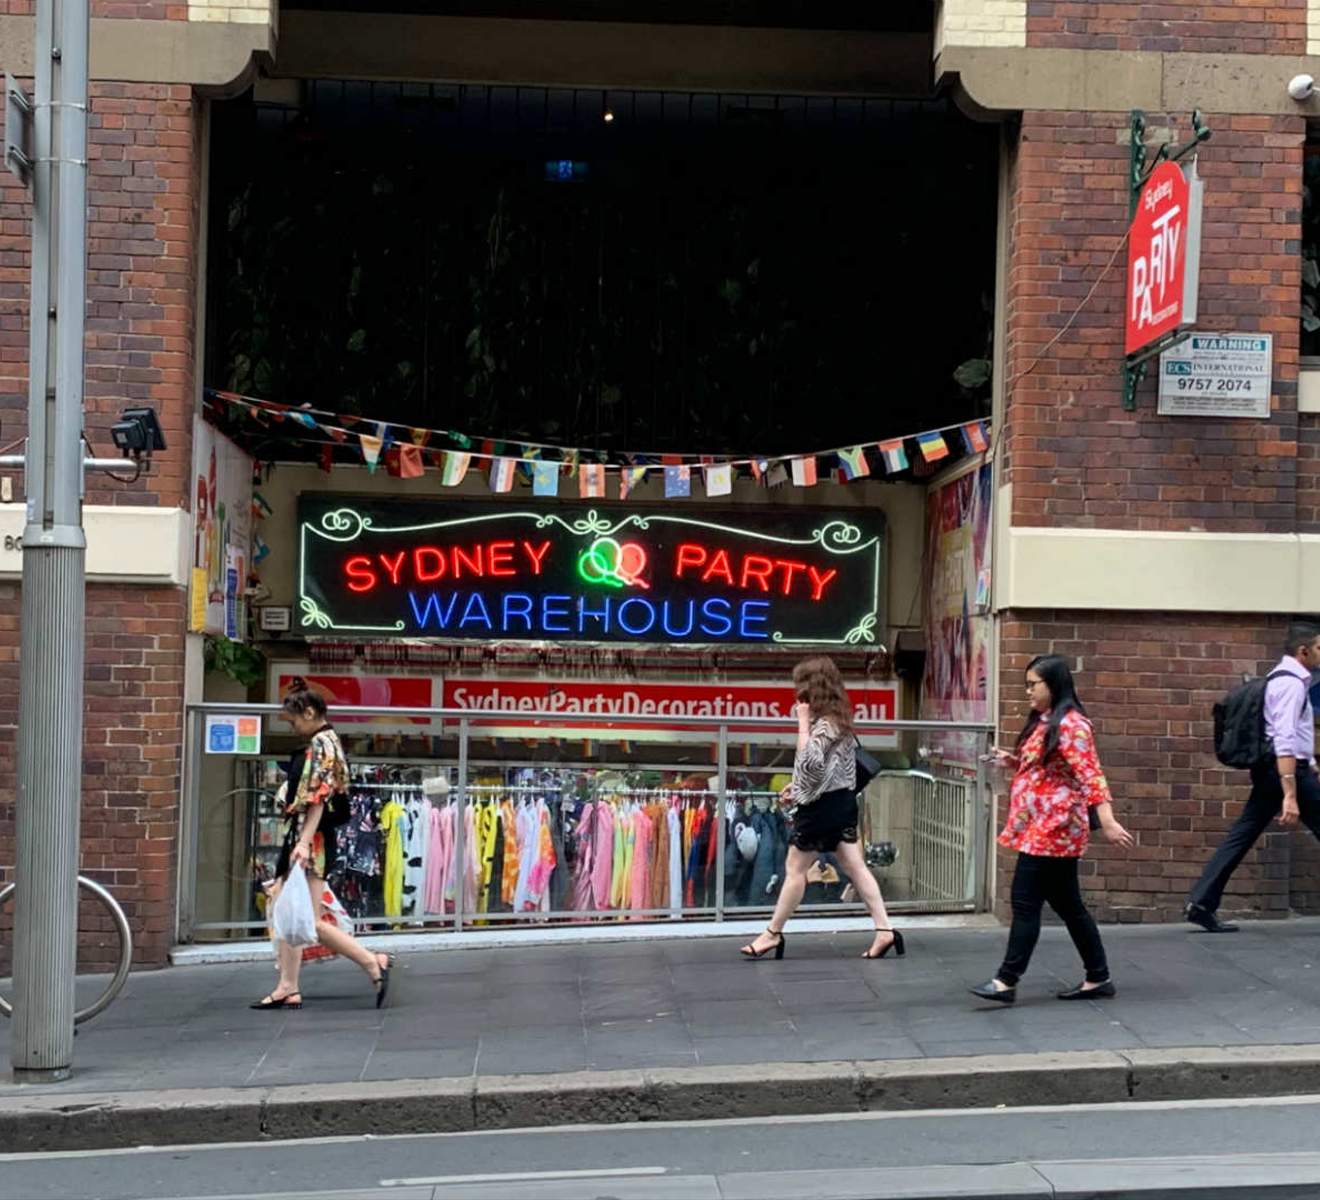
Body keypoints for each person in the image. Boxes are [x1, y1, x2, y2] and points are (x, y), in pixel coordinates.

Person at [971, 655, 1133, 1004]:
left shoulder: (1072, 725)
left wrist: (1106, 819)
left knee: (1025, 900)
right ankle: (1098, 977)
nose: (1027, 691)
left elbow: (1091, 774)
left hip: (1054, 828)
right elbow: (1048, 768)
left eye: (1033, 684)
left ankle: (1006, 980)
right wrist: (1011, 761)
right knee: (1068, 905)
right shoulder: (1046, 721)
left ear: (1053, 684)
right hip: (1043, 825)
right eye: (1027, 684)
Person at [739, 656, 903, 962]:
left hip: (821, 810)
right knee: (855, 866)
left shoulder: (825, 724)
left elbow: (810, 762)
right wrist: (797, 787)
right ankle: (885, 930)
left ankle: (772, 934)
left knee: (794, 869)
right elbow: (827, 772)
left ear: (813, 689)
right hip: (840, 804)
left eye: (800, 687)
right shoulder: (838, 720)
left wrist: (802, 723)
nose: (796, 694)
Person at [252, 681, 393, 1010]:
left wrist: (302, 842)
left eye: (294, 720)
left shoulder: (322, 744)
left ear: (310, 712)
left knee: (308, 917)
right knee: (289, 908)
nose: (294, 726)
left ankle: (373, 962)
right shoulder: (327, 742)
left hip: (311, 839)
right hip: (309, 837)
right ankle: (288, 984)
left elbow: (318, 798)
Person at [1185, 621, 1320, 933]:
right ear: (1303, 651)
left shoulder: (1281, 678)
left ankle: (1201, 903)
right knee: (1244, 832)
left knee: (1243, 833)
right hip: (1285, 772)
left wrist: (1309, 761)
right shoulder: (1292, 684)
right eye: (1318, 648)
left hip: (1277, 770)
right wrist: (1290, 792)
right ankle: (1201, 902)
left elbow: (1293, 731)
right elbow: (1283, 736)